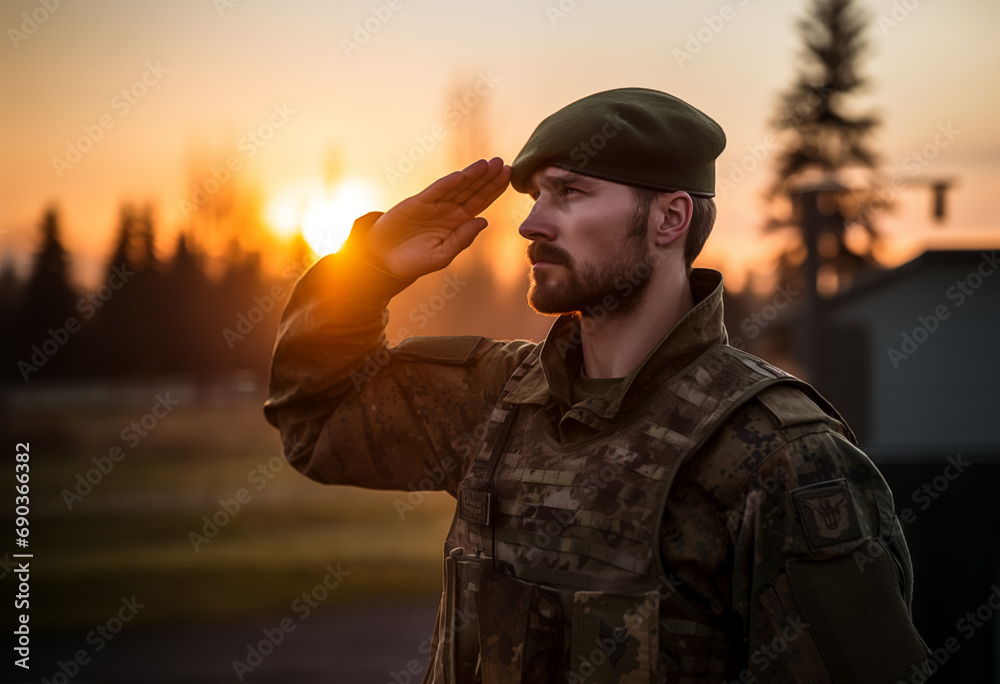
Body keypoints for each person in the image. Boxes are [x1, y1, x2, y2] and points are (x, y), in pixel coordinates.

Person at [264, 88, 930, 683]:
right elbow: (316, 417)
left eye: (571, 193)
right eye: (536, 198)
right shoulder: (499, 398)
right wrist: (367, 267)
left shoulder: (781, 455)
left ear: (669, 220)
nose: (532, 224)